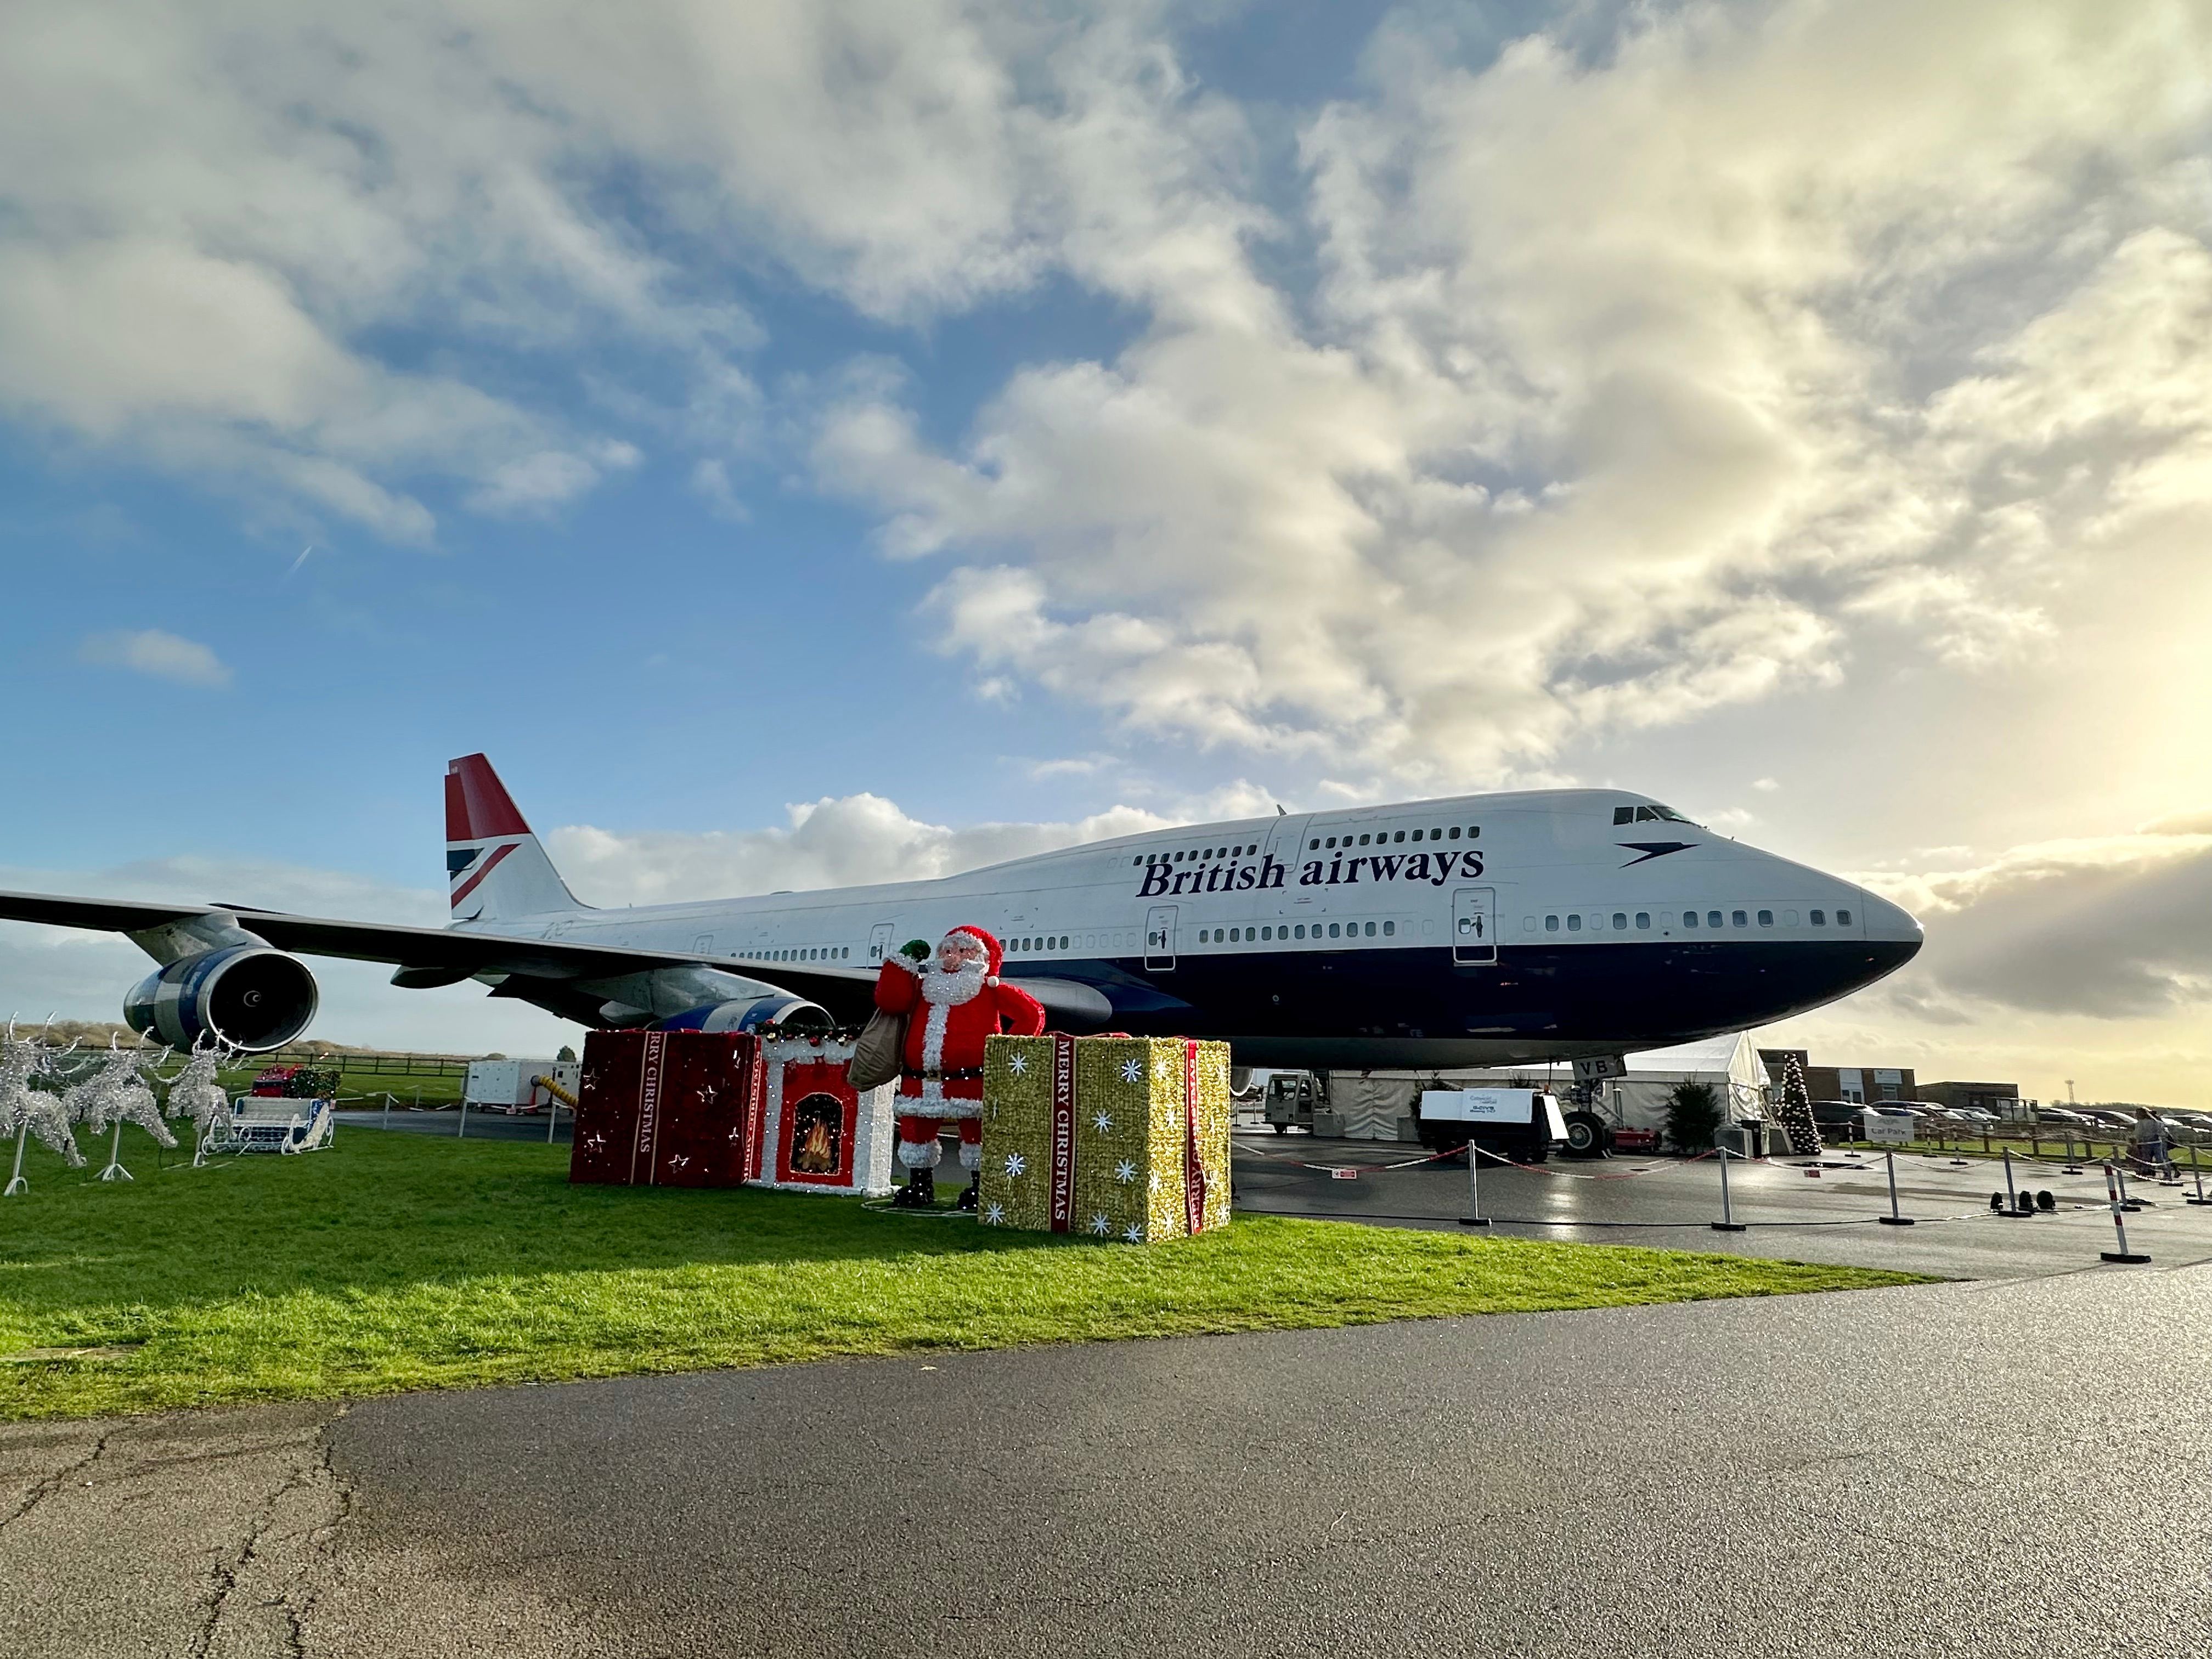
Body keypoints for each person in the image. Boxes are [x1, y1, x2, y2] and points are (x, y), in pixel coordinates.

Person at [874, 926, 1046, 1210]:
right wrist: (902, 963)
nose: (952, 957)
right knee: (916, 1134)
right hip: (921, 1081)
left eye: (963, 951)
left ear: (981, 958)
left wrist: (1003, 1054)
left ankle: (980, 1188)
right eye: (947, 950)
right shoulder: (923, 989)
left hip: (971, 1081)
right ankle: (919, 1186)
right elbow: (890, 1001)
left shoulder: (988, 990)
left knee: (976, 1134)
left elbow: (1031, 1014)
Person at [2130, 1107, 2174, 1179]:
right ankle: (2166, 1173)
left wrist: (2134, 1140)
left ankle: (2143, 1172)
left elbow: (2138, 1134)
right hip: (2157, 1142)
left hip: (2147, 1143)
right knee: (2160, 1158)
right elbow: (2162, 1132)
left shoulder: (2141, 1123)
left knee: (2146, 1158)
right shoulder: (2155, 1122)